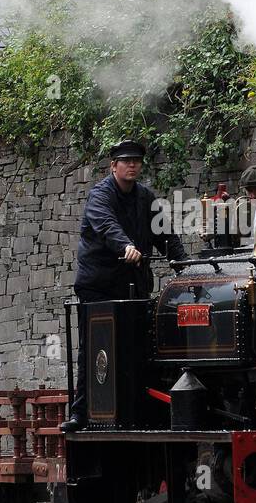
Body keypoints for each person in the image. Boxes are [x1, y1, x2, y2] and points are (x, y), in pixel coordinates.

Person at [64, 139, 185, 431]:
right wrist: (126, 246)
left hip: (134, 284)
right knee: (93, 348)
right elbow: (106, 226)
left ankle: (141, 408)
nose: (132, 165)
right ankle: (82, 413)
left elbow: (165, 235)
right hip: (100, 284)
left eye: (136, 161)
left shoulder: (145, 197)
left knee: (142, 345)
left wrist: (184, 266)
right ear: (113, 166)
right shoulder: (100, 196)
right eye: (126, 161)